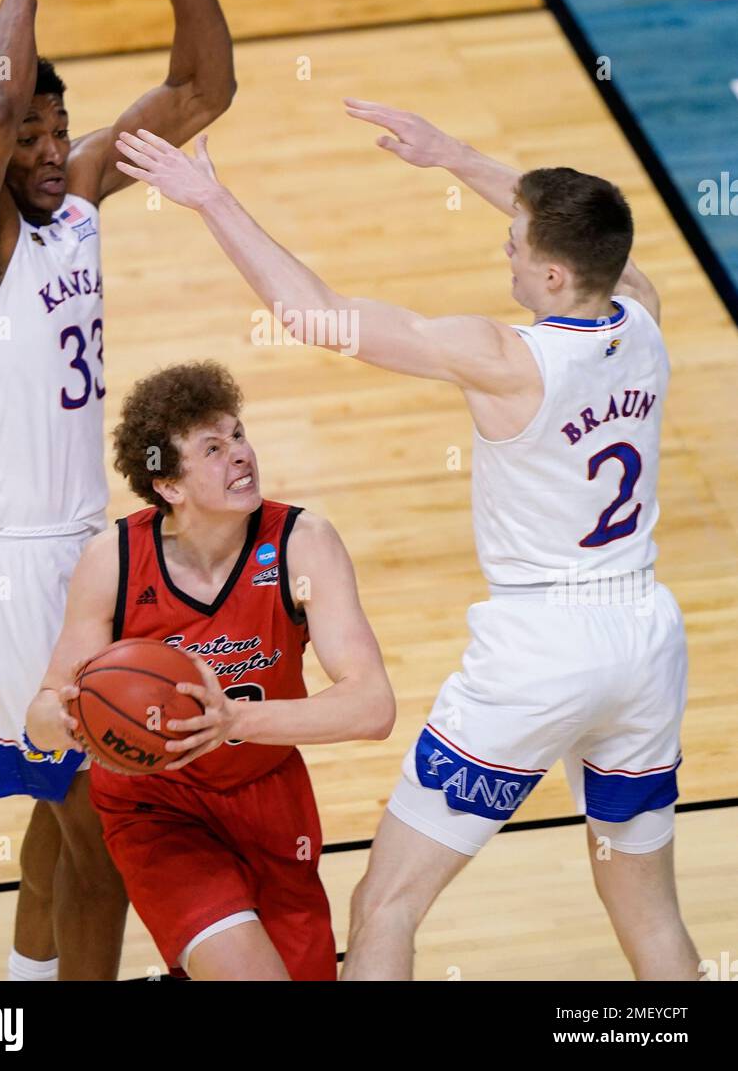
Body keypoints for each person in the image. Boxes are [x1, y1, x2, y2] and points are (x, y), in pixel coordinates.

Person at [110, 100, 700, 983]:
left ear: (547, 277)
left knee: (385, 905)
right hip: (648, 639)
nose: (504, 245)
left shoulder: (503, 356)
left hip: (543, 651)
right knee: (650, 913)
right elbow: (579, 236)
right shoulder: (644, 317)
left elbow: (318, 315)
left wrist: (211, 201)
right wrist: (457, 154)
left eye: (515, 243)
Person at [0, 0, 235, 980]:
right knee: (106, 839)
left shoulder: (79, 197)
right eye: (28, 137)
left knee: (61, 820)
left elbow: (201, 92)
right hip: (14, 563)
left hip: (62, 551)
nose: (51, 149)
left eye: (61, 130)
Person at [26, 360, 395, 981]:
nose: (241, 456)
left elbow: (372, 707)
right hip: (158, 806)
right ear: (169, 485)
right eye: (213, 449)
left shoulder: (303, 542)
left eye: (239, 435)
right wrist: (69, 721)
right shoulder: (112, 561)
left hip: (271, 798)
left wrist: (232, 720)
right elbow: (38, 719)